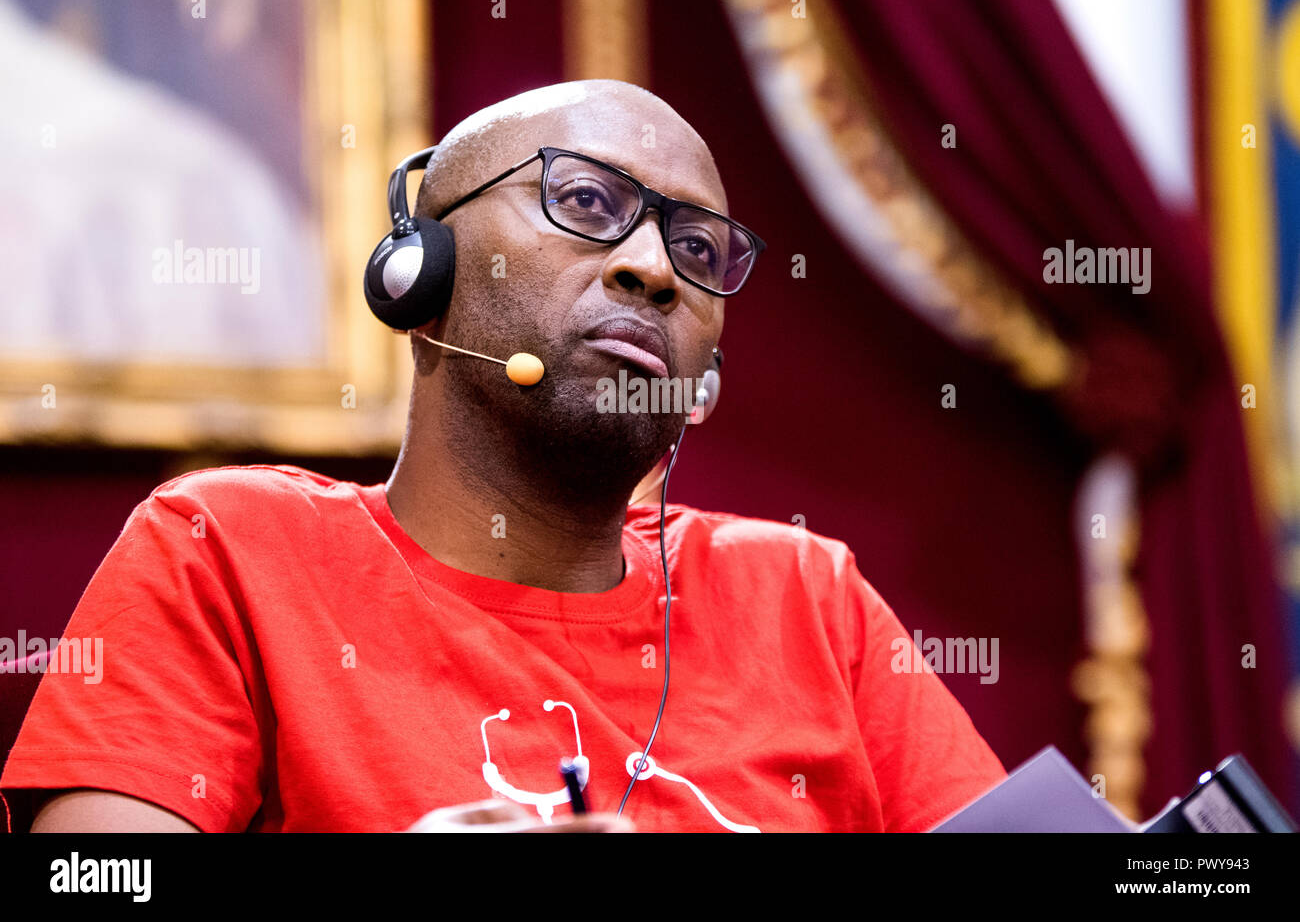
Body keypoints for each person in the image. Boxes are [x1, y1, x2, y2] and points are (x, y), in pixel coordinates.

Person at [1, 79, 1006, 832]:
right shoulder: (225, 549)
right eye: (583, 202)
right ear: (418, 273)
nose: (652, 267)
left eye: (698, 252)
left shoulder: (802, 594)